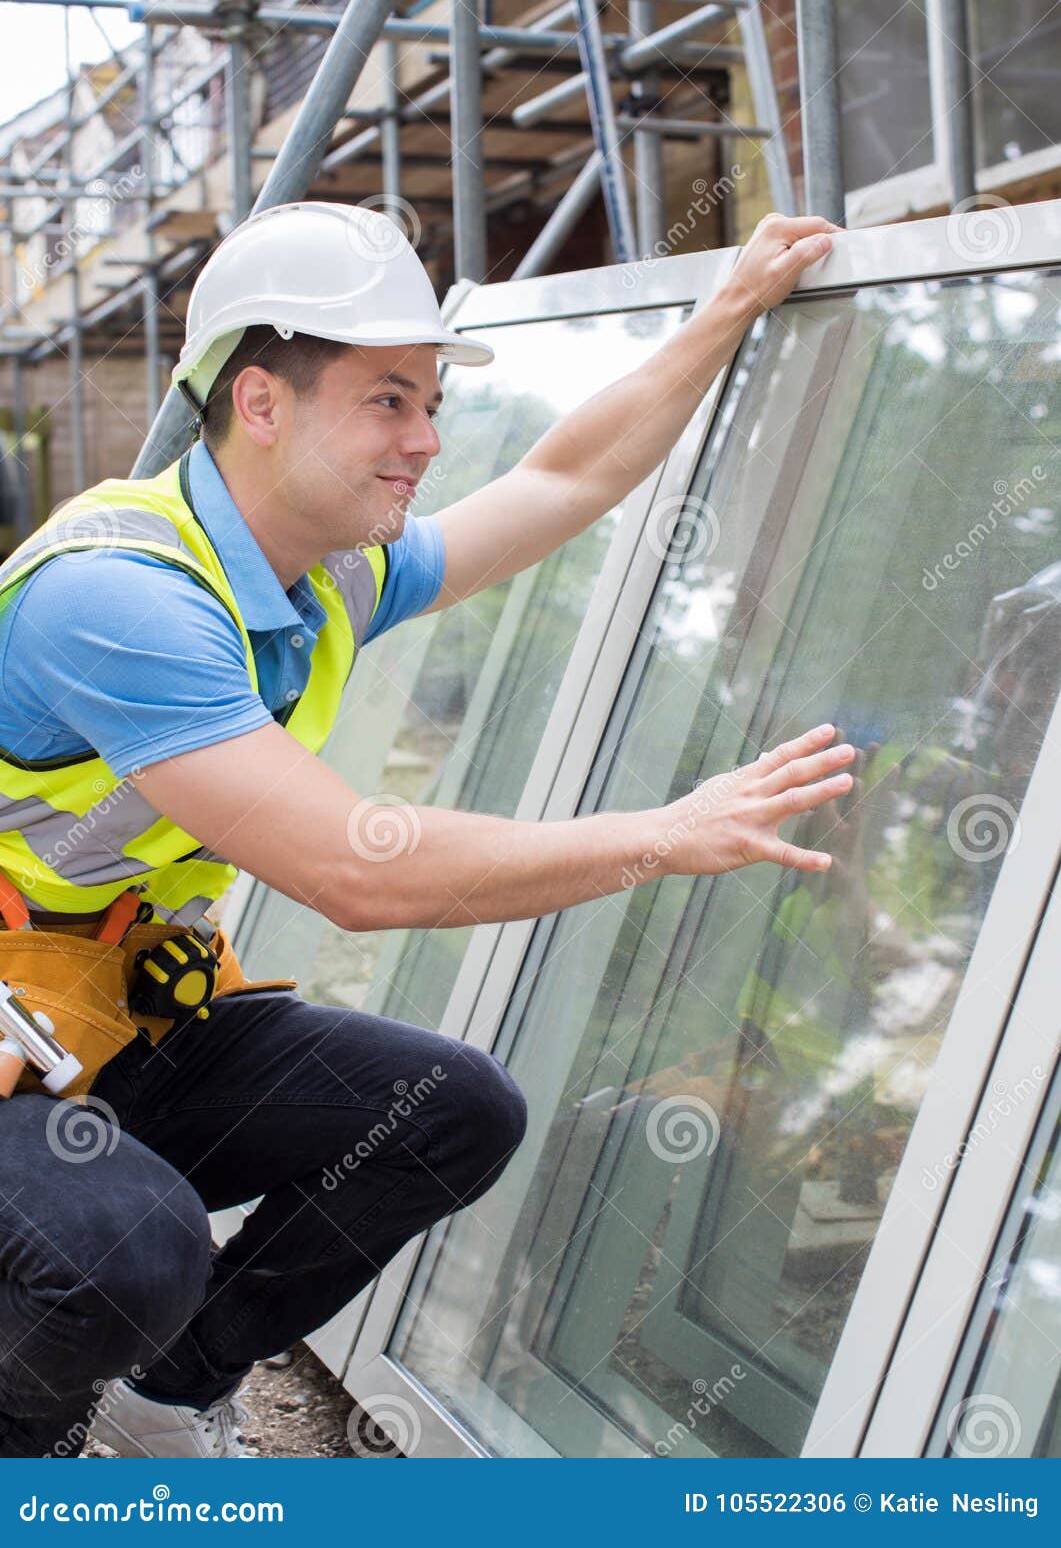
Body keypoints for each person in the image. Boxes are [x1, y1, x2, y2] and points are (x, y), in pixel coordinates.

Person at [0, 201, 853, 1458]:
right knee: (122, 1255)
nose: (428, 439)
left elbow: (561, 479)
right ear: (260, 401)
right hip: (16, 1043)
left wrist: (722, 312)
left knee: (449, 1110)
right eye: (388, 401)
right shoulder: (120, 597)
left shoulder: (324, 568)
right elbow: (354, 870)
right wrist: (663, 834)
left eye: (432, 402)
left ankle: (161, 1396)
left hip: (109, 1020)